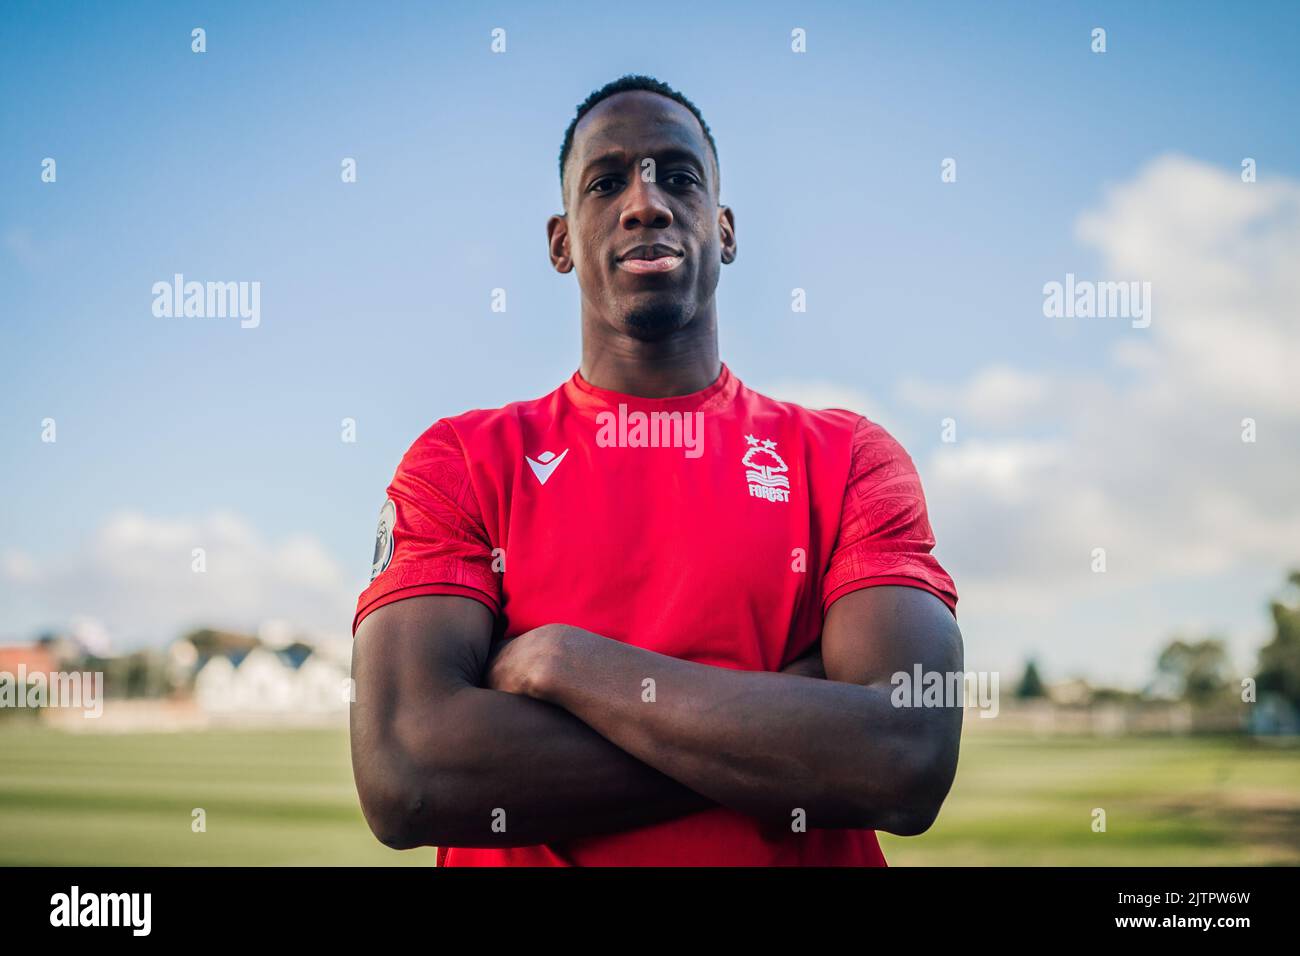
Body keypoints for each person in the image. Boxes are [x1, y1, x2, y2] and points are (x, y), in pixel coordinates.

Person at [350, 74, 962, 866]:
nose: (645, 203)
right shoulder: (460, 462)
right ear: (561, 241)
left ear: (727, 229)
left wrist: (564, 662)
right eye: (605, 183)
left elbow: (905, 755)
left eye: (680, 177)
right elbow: (408, 776)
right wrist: (786, 723)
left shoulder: (846, 458)